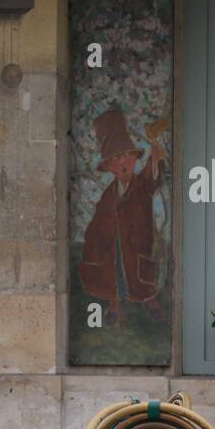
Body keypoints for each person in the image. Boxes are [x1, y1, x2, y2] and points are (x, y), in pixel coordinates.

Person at [79, 108, 169, 325]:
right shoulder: (108, 194)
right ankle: (115, 305)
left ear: (134, 158)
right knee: (114, 273)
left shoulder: (140, 184)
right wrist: (96, 239)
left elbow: (152, 178)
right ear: (109, 167)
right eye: (116, 158)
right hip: (114, 245)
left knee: (141, 278)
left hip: (137, 242)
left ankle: (151, 302)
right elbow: (98, 222)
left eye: (126, 155)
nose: (122, 162)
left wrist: (155, 161)